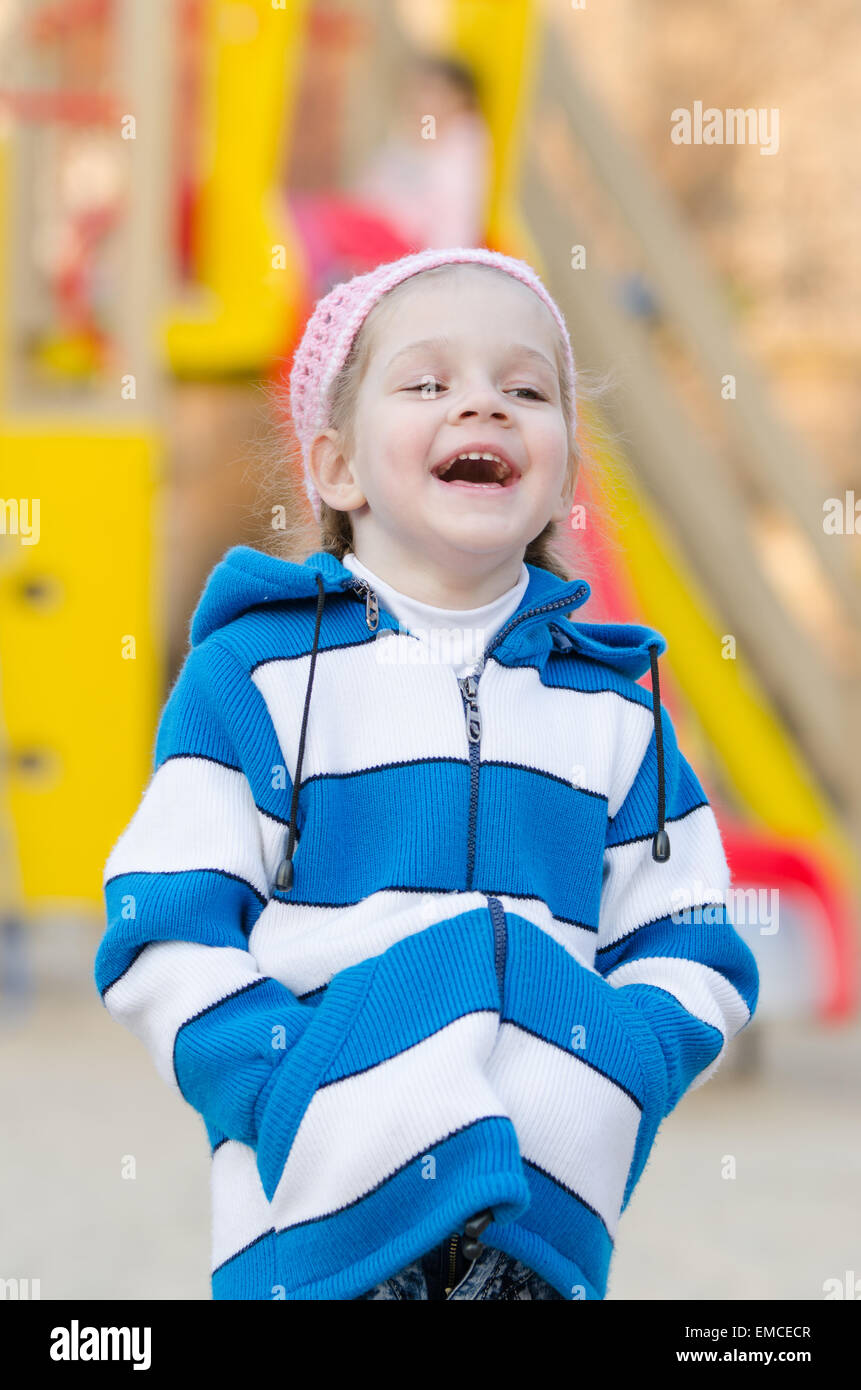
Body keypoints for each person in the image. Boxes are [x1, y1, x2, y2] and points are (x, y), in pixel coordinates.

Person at [94, 246, 759, 1301]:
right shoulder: (258, 678)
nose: (485, 407)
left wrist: (619, 1069)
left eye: (526, 390)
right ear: (337, 467)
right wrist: (282, 1090)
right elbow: (164, 922)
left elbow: (693, 936)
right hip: (317, 1224)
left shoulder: (614, 707)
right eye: (430, 382)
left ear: (563, 473)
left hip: (541, 1230)